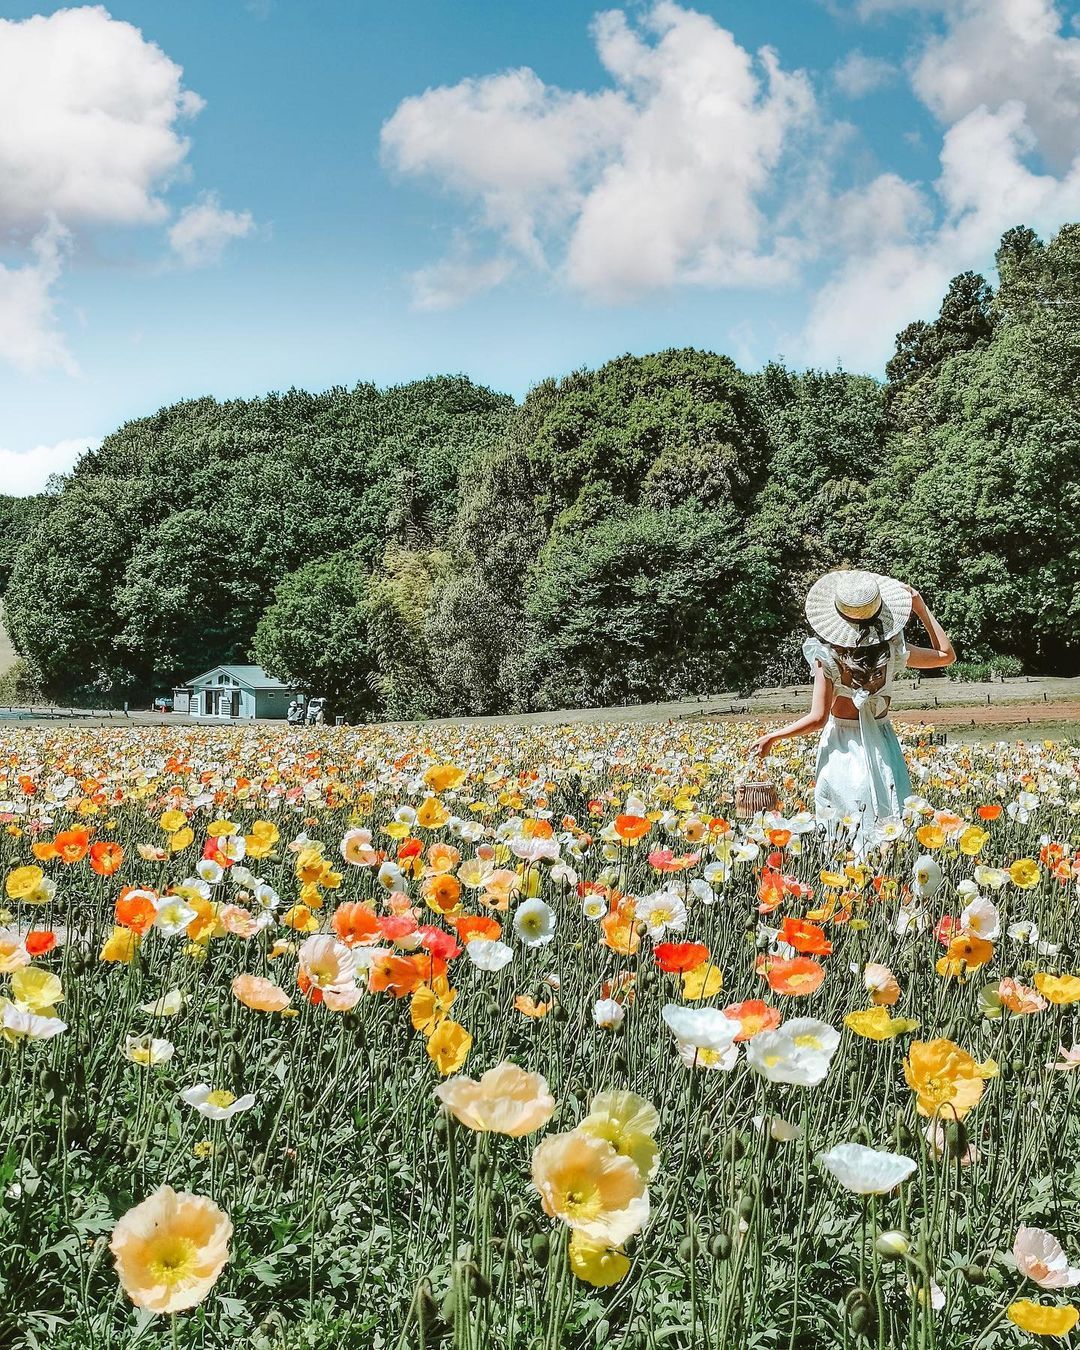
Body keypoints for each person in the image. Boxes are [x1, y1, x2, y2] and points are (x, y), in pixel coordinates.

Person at [752, 569, 955, 851]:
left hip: (841, 750)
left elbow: (817, 719)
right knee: (888, 824)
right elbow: (946, 655)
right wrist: (920, 608)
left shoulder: (828, 658)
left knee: (842, 833)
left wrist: (774, 736)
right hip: (883, 746)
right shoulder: (893, 651)